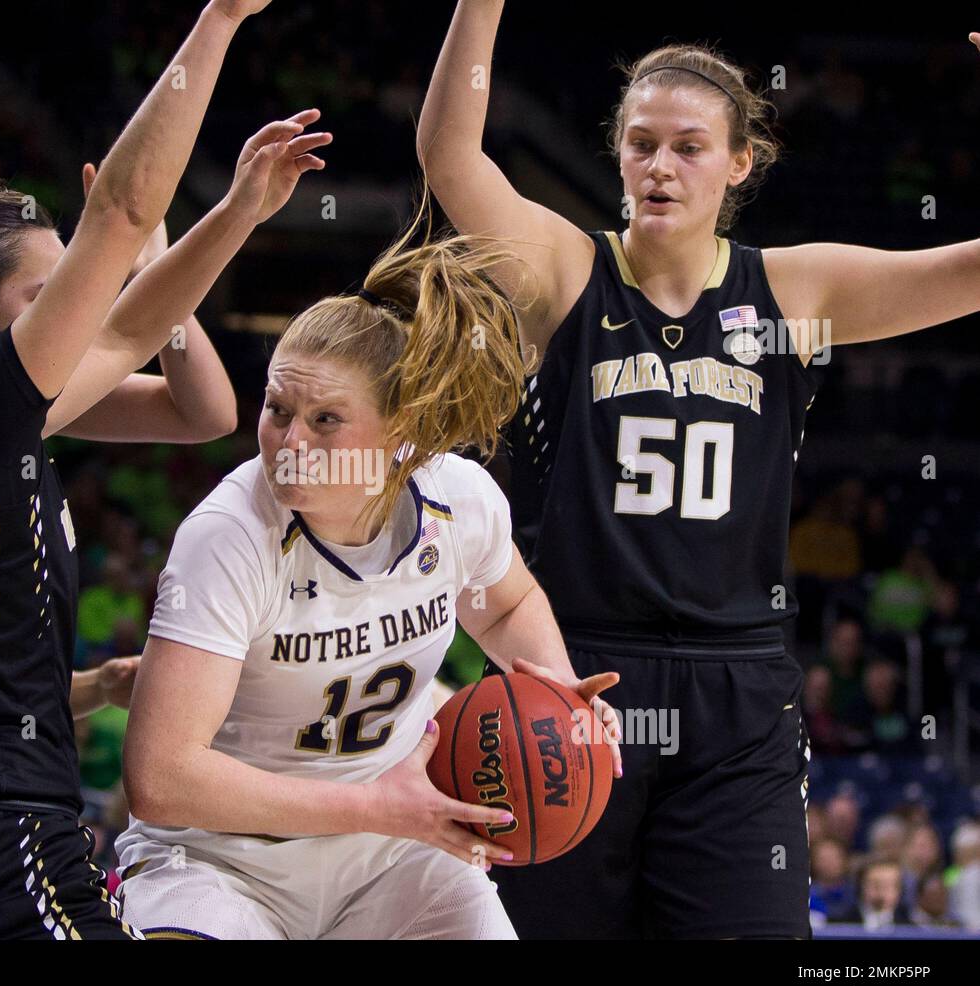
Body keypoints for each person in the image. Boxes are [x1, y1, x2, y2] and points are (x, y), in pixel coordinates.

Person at [418, 2, 980, 938]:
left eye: (689, 146)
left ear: (739, 162)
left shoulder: (793, 291)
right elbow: (451, 161)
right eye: (641, 144)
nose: (660, 167)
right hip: (571, 675)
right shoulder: (567, 273)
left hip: (739, 695)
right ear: (618, 152)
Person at [0, 0, 325, 939]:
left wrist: (241, 209)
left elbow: (133, 324)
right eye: (46, 296)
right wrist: (217, 21)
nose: (72, 311)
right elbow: (123, 212)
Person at [116, 207, 622, 940]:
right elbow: (161, 781)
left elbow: (506, 605)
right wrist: (379, 805)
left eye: (325, 420)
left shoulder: (458, 498)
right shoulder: (228, 538)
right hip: (221, 858)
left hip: (389, 859)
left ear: (402, 428)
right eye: (277, 407)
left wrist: (553, 686)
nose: (288, 440)